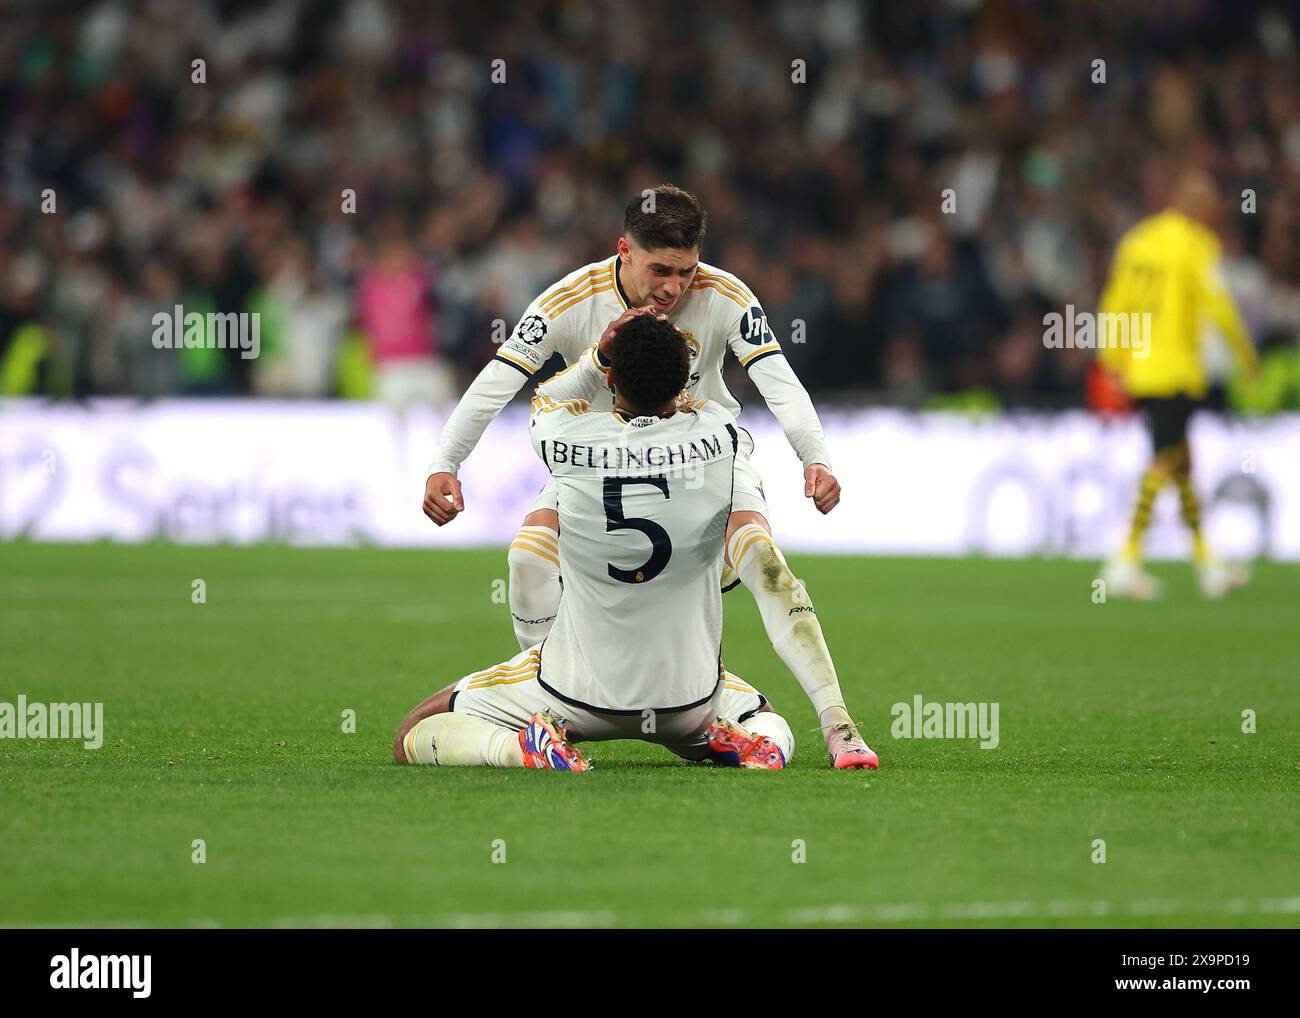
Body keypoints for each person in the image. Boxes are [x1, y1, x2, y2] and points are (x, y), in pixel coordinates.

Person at [422, 184, 875, 768]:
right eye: (660, 270)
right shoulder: (569, 299)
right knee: (528, 556)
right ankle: (557, 702)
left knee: (764, 561)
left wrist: (815, 458)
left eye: (686, 272)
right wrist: (445, 463)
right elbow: (499, 380)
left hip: (707, 456)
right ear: (624, 251)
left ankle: (840, 727)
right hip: (599, 456)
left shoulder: (726, 295)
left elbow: (778, 379)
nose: (673, 288)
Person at [394, 314, 836, 771]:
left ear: (611, 378)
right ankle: (758, 749)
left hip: (572, 693)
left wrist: (597, 357)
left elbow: (547, 396)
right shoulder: (718, 435)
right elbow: (712, 411)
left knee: (414, 730)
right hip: (689, 704)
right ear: (684, 381)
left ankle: (520, 748)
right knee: (766, 719)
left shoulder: (564, 438)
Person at [1096, 170, 1260, 599]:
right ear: (1199, 206)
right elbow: (1218, 303)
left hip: (1141, 371)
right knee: (1166, 462)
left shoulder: (1137, 241)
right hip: (1176, 370)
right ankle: (1124, 559)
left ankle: (1209, 564)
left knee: (1182, 464)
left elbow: (1116, 303)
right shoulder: (1195, 244)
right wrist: (1245, 353)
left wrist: (1112, 359)